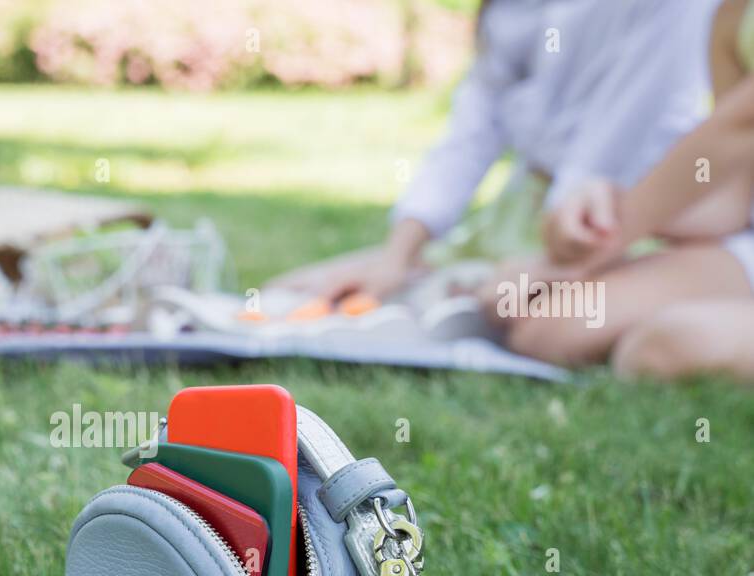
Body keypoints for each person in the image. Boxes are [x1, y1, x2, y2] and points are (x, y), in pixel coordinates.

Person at [268, 0, 721, 307]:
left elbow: (615, 137)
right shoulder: (512, 11)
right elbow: (472, 132)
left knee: (476, 306)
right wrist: (397, 256)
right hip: (525, 214)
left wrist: (555, 255)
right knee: (292, 294)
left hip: (618, 218)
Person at [512, 0, 754, 380]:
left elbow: (744, 122)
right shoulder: (732, 14)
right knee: (550, 327)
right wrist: (606, 209)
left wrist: (613, 239)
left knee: (661, 347)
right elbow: (733, 197)